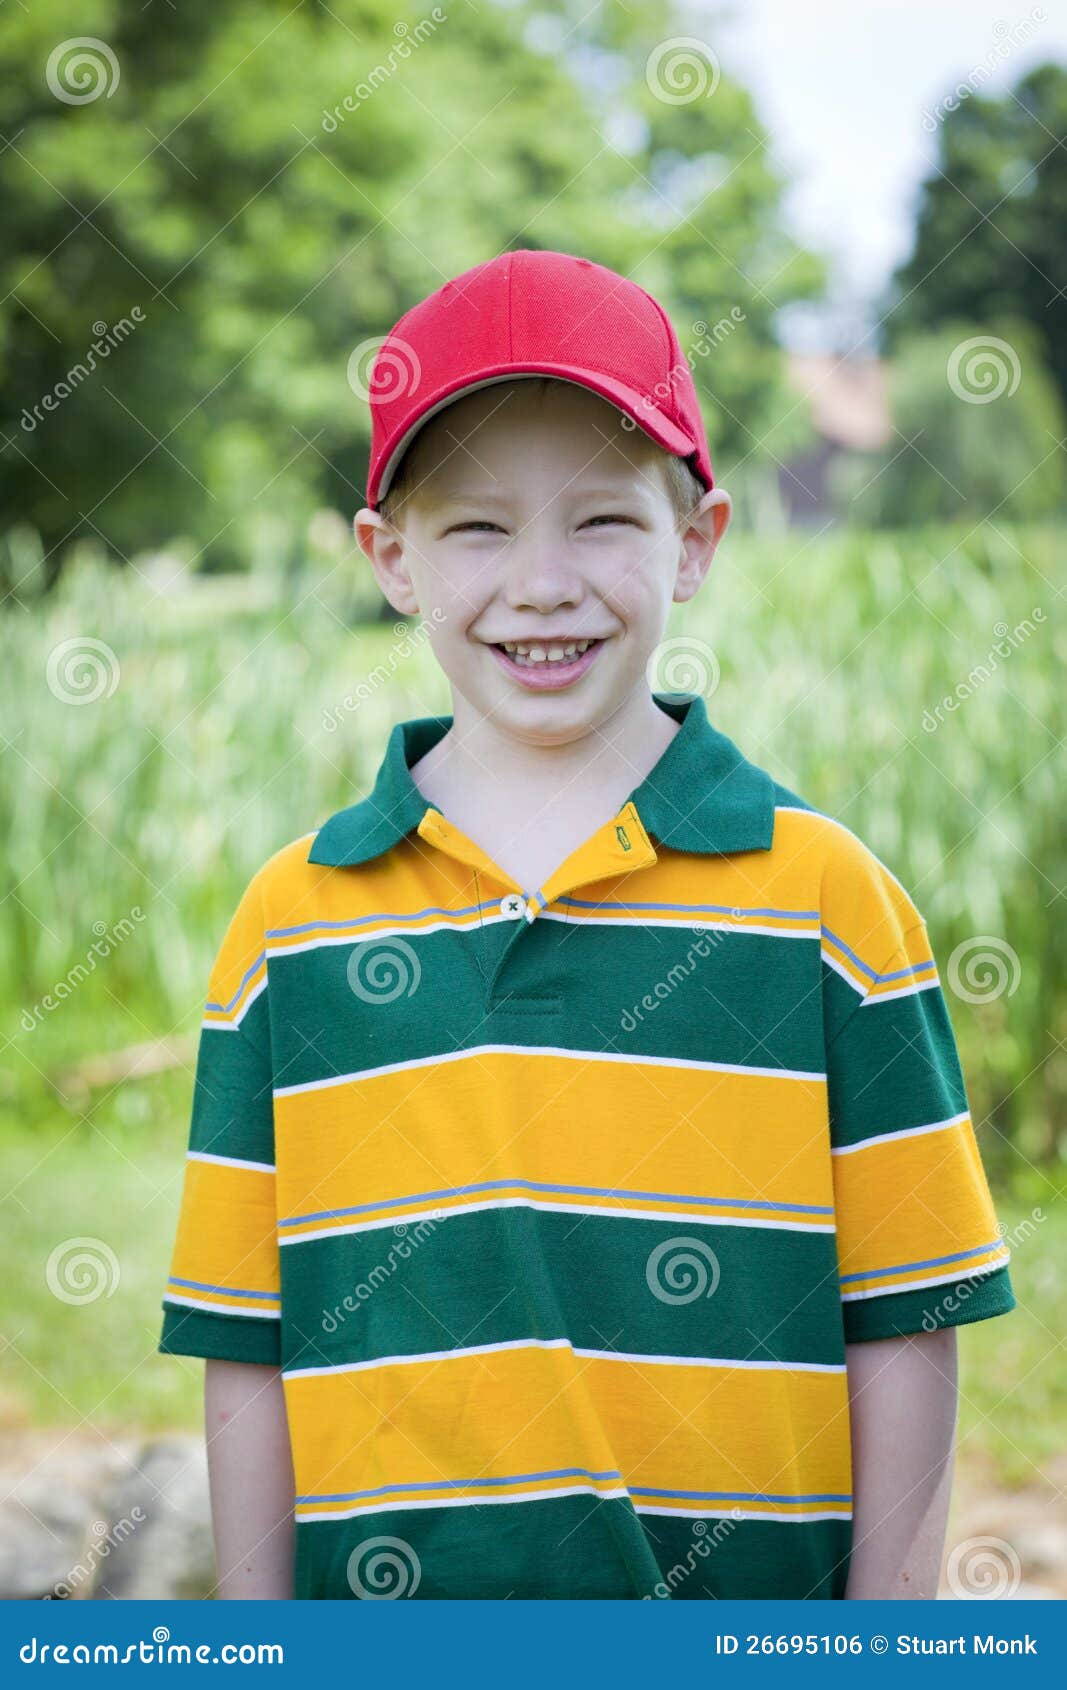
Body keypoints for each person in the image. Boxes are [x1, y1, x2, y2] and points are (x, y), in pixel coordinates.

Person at [159, 249, 1015, 1601]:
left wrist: (886, 1642)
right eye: (479, 528)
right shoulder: (292, 925)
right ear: (392, 559)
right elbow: (247, 1344)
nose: (543, 583)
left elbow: (909, 1319)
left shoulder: (828, 901)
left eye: (603, 520)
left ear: (697, 542)